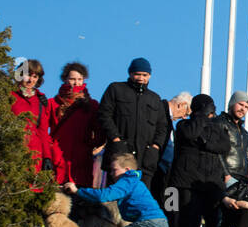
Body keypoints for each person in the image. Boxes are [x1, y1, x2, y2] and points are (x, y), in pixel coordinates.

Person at [62, 151, 167, 227]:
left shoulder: (127, 180)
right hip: (161, 223)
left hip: (148, 224)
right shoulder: (135, 181)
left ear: (127, 169)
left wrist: (77, 191)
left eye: (114, 170)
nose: (111, 173)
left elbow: (104, 196)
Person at [97, 57, 169, 188]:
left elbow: (162, 127)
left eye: (144, 75)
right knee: (115, 199)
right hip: (119, 158)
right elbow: (104, 115)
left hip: (145, 161)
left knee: (139, 202)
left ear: (149, 76)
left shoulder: (154, 98)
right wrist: (116, 140)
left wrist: (155, 148)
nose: (141, 78)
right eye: (137, 74)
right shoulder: (116, 89)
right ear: (130, 74)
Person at [169, 94, 232, 227]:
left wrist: (205, 144)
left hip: (209, 182)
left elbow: (224, 147)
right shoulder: (183, 125)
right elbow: (191, 134)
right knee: (188, 223)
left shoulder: (217, 129)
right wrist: (201, 116)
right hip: (186, 182)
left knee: (213, 222)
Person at [50, 62, 104, 188]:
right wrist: (50, 147)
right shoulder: (53, 103)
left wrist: (91, 144)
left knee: (81, 198)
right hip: (58, 156)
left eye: (79, 79)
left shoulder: (92, 105)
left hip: (81, 157)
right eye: (72, 79)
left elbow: (100, 130)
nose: (76, 83)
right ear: (65, 79)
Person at [11, 58, 64, 184]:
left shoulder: (40, 101)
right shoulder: (10, 95)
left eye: (35, 76)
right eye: (28, 75)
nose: (31, 80)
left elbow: (43, 131)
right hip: (14, 149)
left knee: (31, 189)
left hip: (35, 153)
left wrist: (46, 157)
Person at [153, 91, 193, 218]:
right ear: (181, 105)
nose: (184, 118)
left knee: (171, 209)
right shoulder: (159, 110)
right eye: (186, 113)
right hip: (155, 171)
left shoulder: (170, 124)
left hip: (168, 176)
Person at [213, 91, 248, 188]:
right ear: (232, 103)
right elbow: (215, 151)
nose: (243, 109)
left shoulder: (245, 133)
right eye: (240, 104)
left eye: (246, 107)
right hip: (224, 177)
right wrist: (226, 174)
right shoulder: (219, 122)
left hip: (242, 180)